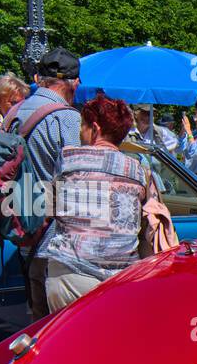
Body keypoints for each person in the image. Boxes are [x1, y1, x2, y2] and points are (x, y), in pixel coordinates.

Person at [43, 96, 156, 312]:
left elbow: (49, 207)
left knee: (68, 343)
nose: (80, 132)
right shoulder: (139, 170)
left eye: (82, 126)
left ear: (94, 128)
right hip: (122, 279)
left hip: (70, 275)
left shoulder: (68, 159)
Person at [3, 47, 84, 321]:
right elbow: (77, 175)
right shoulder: (67, 117)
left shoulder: (14, 112)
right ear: (73, 82)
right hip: (53, 229)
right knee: (57, 320)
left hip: (20, 217)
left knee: (35, 313)